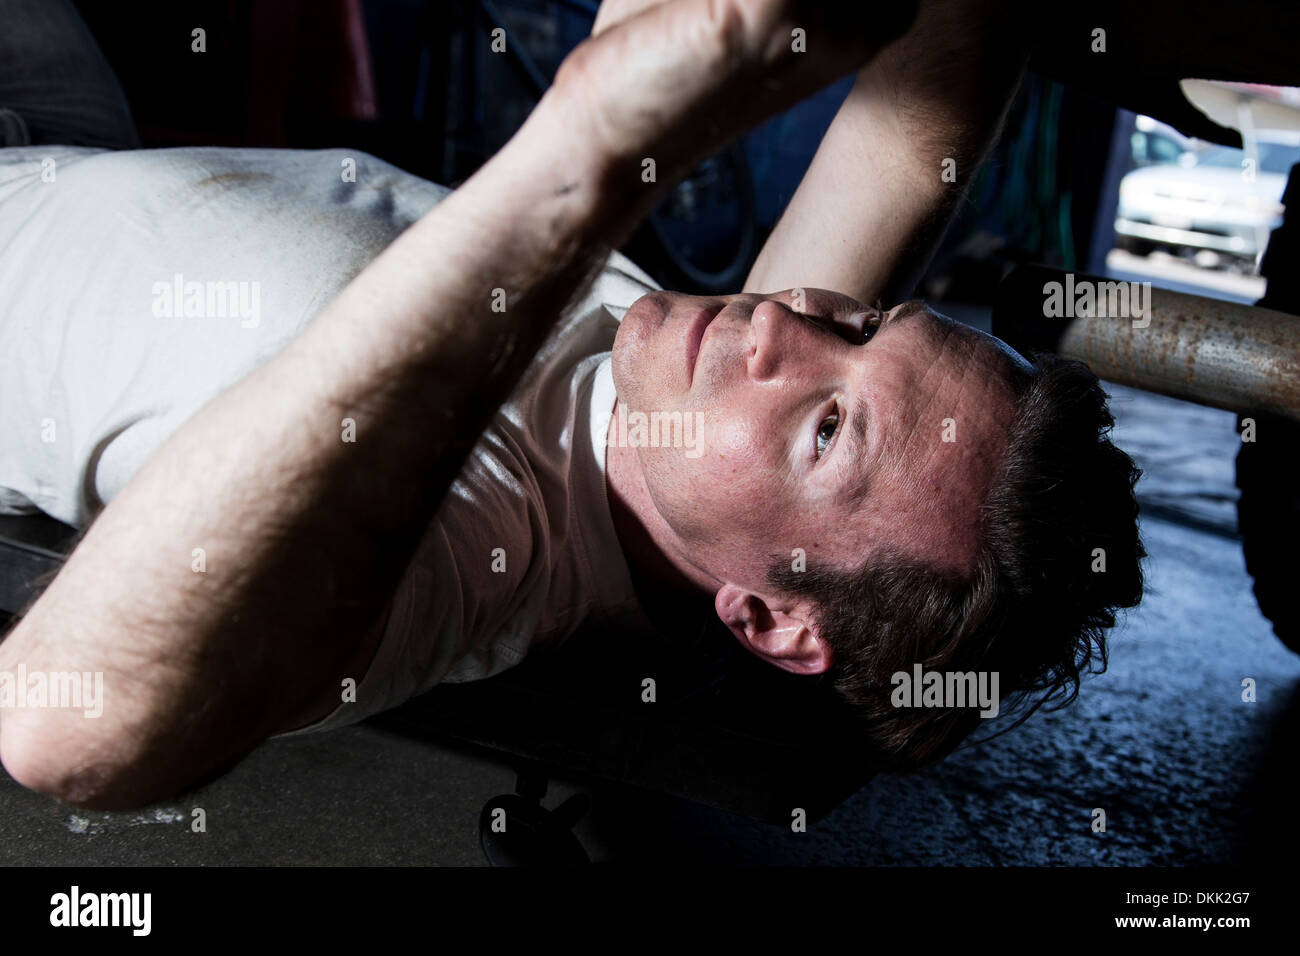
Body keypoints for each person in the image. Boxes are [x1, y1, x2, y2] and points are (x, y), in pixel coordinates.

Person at [0, 0, 1144, 811]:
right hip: (57, 133)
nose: (783, 324)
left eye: (828, 425)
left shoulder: (479, 549)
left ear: (768, 618)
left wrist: (593, 147)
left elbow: (66, 724)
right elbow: (918, 126)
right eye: (858, 324)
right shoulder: (711, 386)